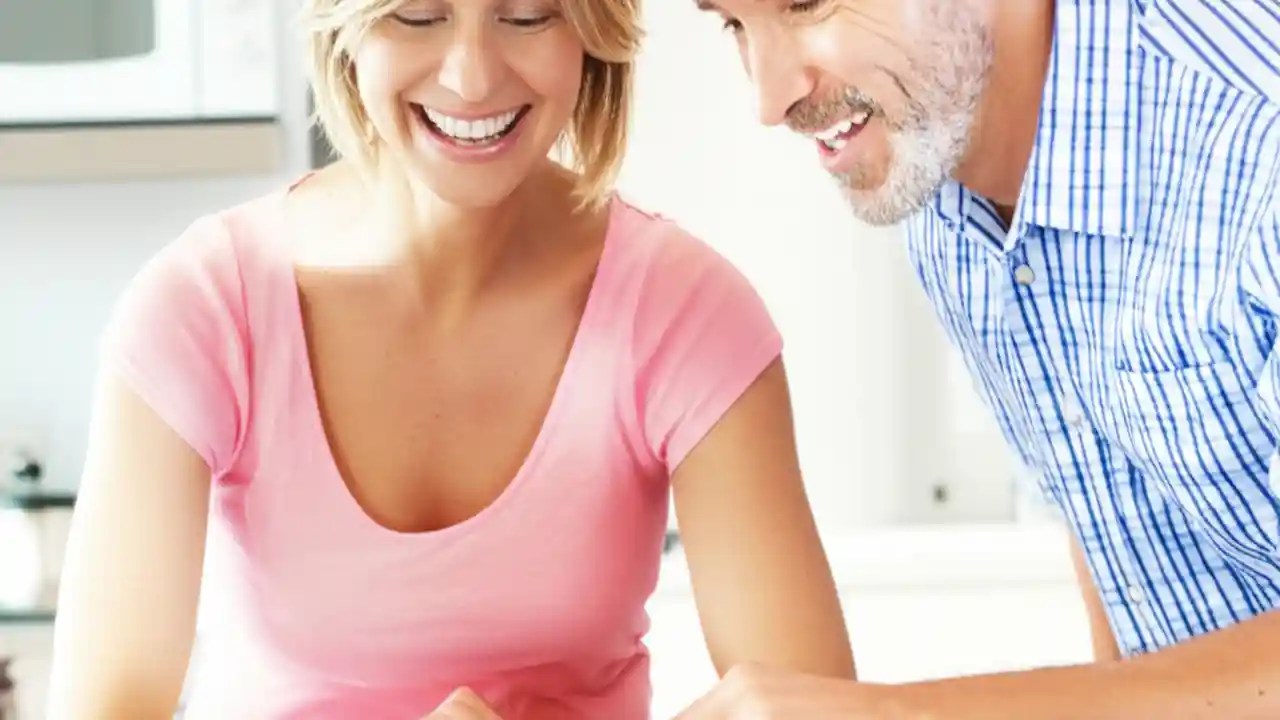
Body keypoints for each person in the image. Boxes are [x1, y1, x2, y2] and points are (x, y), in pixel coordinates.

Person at [44, 1, 855, 718]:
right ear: (348, 27)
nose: (471, 77)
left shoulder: (686, 314)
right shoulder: (203, 309)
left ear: (591, 30)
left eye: (529, 16)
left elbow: (810, 707)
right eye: (418, 16)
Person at [676, 0, 1280, 718]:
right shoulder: (945, 201)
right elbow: (1116, 531)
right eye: (734, 25)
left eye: (806, 4)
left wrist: (894, 715)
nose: (770, 99)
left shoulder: (1255, 138)